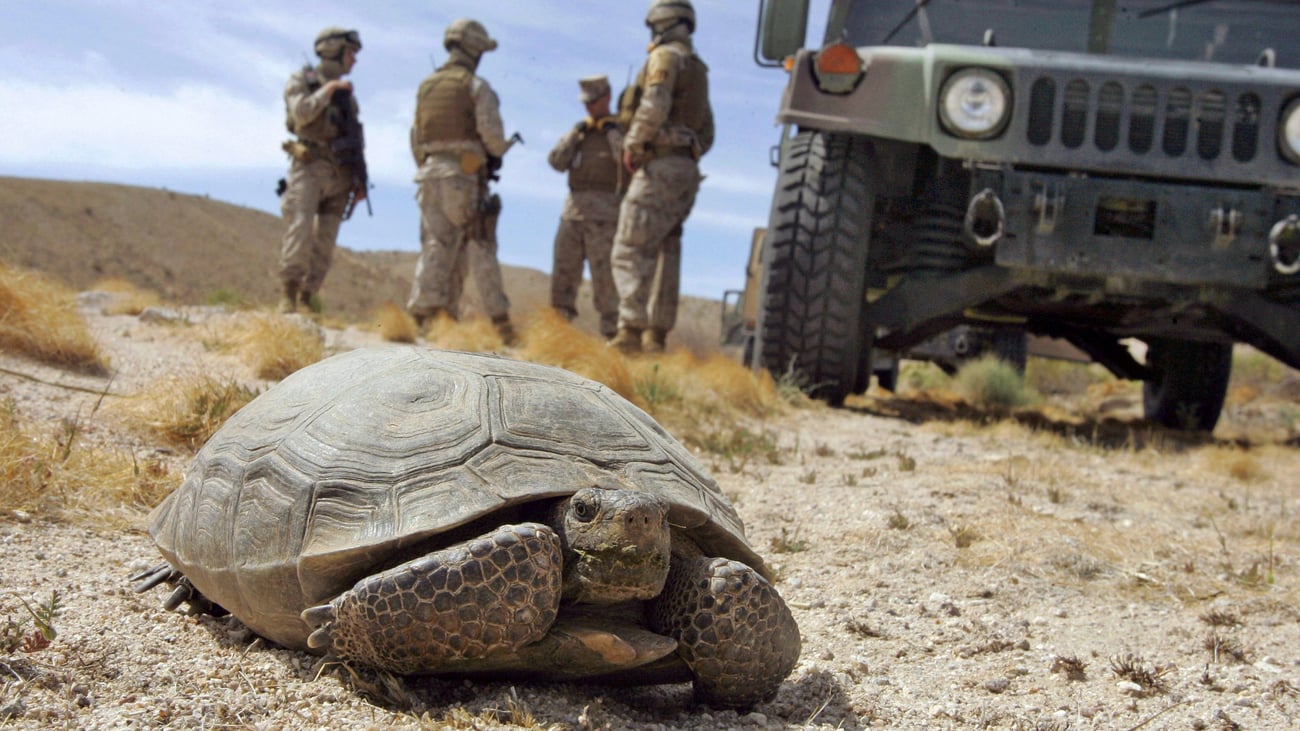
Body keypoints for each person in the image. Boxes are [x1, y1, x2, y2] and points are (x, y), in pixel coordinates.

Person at [609, 0, 713, 354]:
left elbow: (653, 104)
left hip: (660, 167)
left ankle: (630, 333)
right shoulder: (698, 69)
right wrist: (687, 151)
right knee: (668, 251)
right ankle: (655, 338)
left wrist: (634, 144)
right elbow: (708, 130)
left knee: (630, 247)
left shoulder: (665, 57)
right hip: (686, 171)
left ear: (662, 23)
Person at [407, 18, 517, 345]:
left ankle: (426, 316)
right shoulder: (476, 87)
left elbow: (416, 137)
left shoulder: (427, 86)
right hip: (463, 178)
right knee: (481, 245)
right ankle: (501, 324)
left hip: (429, 175)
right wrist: (500, 149)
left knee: (436, 244)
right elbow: (493, 138)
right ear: (475, 49)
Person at [277, 27, 366, 314]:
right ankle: (288, 294)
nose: (354, 60)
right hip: (309, 165)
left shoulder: (348, 97)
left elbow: (356, 138)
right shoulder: (303, 81)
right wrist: (327, 91)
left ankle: (307, 298)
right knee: (300, 229)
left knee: (326, 242)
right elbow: (301, 114)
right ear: (333, 51)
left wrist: (360, 180)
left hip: (341, 174)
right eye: (350, 53)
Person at [546, 75, 624, 340]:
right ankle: (556, 334)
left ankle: (612, 336)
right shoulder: (580, 132)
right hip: (573, 213)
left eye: (593, 102)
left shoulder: (621, 130)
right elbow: (556, 161)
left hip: (605, 217)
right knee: (563, 275)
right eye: (586, 103)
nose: (589, 107)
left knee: (606, 281)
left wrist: (612, 131)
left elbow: (628, 161)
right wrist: (575, 134)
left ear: (607, 98)